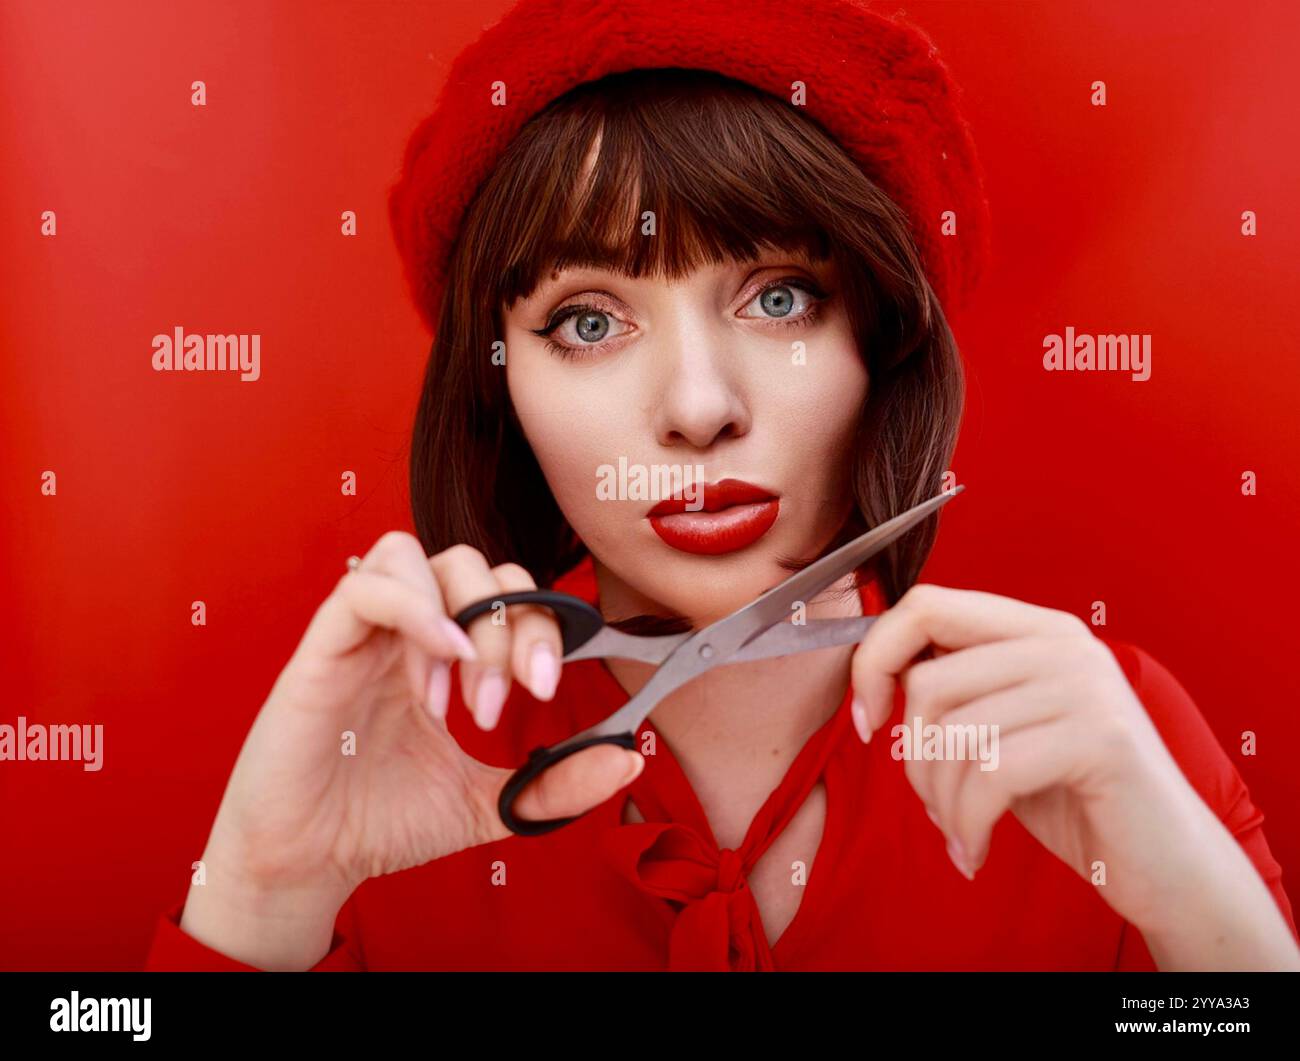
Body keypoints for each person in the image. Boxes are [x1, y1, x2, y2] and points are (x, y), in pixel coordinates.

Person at [144, 0, 1299, 971]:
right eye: (588, 320)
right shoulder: (397, 756)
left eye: (782, 297)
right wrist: (260, 887)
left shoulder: (1109, 737)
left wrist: (1202, 915)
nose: (698, 407)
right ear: (499, 388)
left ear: (880, 344)